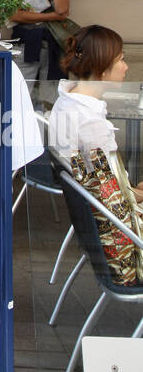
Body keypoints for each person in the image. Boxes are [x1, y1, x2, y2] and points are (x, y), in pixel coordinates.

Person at [47, 28, 143, 250]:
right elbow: (116, 199)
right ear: (102, 68)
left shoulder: (66, 102)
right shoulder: (89, 122)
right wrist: (137, 192)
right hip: (123, 238)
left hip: (97, 224)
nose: (126, 67)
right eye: (121, 59)